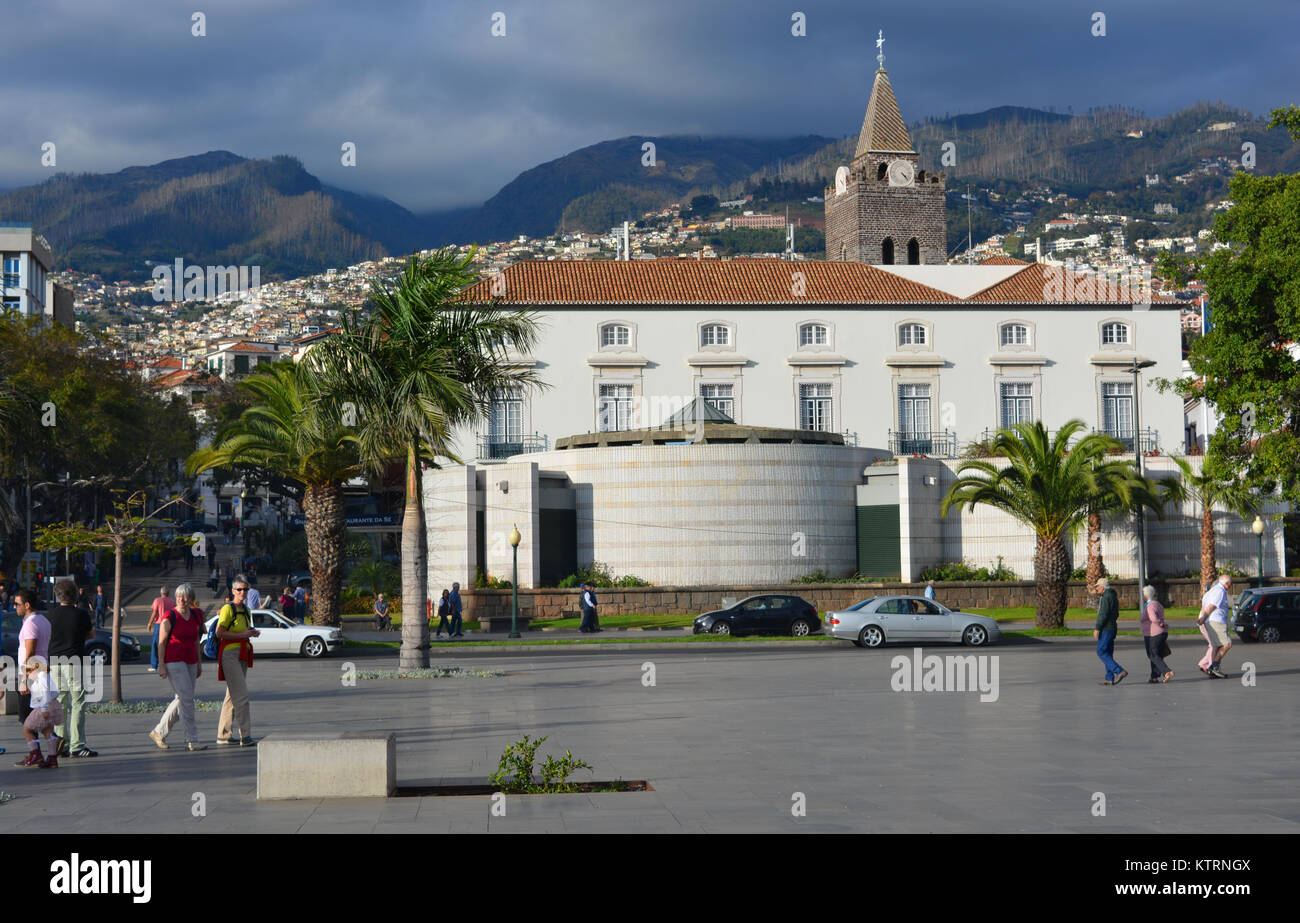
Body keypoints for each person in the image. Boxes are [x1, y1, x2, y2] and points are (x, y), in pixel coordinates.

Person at [150, 583, 207, 751]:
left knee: (182, 698)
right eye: (179, 596)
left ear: (191, 598)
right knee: (187, 699)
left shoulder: (196, 615)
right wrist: (161, 664)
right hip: (173, 660)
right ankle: (191, 739)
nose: (181, 599)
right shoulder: (170, 616)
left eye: (185, 596)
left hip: (190, 660)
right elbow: (161, 642)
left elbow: (196, 640)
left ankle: (158, 731)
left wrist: (199, 662)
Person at [46, 579, 98, 758]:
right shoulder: (81, 614)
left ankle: (61, 742)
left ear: (57, 595)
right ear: (75, 594)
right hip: (74, 660)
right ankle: (77, 745)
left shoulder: (50, 615)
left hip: (54, 662)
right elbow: (91, 634)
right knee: (78, 702)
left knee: (60, 702)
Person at [215, 575, 259, 746]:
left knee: (232, 697)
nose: (243, 592)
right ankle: (245, 735)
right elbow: (220, 632)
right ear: (233, 591)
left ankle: (223, 734)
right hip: (230, 654)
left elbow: (243, 630)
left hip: (242, 653)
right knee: (241, 696)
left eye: (245, 589)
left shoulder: (246, 610)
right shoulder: (228, 609)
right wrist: (243, 635)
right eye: (239, 589)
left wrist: (251, 632)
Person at [11, 589, 52, 766]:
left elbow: (31, 652)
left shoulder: (30, 624)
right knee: (36, 716)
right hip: (41, 673)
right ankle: (48, 748)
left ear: (27, 605)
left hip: (32, 675)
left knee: (26, 717)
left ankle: (36, 752)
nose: (14, 607)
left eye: (17, 604)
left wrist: (24, 679)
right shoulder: (43, 620)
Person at [20, 656, 62, 769]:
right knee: (47, 731)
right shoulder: (42, 676)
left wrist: (44, 709)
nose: (28, 674)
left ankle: (35, 754)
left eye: (28, 671)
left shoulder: (42, 676)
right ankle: (52, 758)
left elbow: (45, 693)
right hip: (52, 706)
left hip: (45, 707)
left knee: (27, 729)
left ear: (36, 667)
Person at [1197, 573, 1234, 679]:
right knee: (1227, 644)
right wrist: (1203, 618)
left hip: (1209, 621)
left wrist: (1202, 618)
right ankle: (1214, 667)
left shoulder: (1210, 592)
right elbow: (1212, 606)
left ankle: (1212, 670)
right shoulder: (1220, 591)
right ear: (1227, 584)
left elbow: (1204, 606)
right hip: (1216, 621)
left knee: (1215, 646)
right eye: (1230, 584)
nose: (1230, 586)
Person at [1093, 577, 1127, 685]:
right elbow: (1116, 613)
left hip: (1106, 629)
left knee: (1101, 651)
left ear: (1102, 587)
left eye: (1097, 586)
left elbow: (1103, 614)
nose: (1096, 589)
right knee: (1108, 652)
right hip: (1112, 628)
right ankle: (1109, 677)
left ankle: (1119, 671)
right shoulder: (1112, 596)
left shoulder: (1106, 597)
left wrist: (1098, 628)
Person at [1140, 585, 1174, 684]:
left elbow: (1153, 618)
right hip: (1161, 633)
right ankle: (1154, 676)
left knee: (1152, 654)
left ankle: (1167, 671)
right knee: (1157, 655)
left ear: (1146, 595)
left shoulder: (1150, 605)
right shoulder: (1158, 604)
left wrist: (1160, 623)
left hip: (1153, 633)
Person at [146, 586, 175, 673]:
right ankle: (169, 662)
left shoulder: (157, 600)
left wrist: (149, 624)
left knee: (156, 644)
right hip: (170, 623)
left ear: (161, 593)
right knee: (168, 643)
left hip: (159, 624)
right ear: (168, 593)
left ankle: (154, 665)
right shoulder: (172, 602)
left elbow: (154, 613)